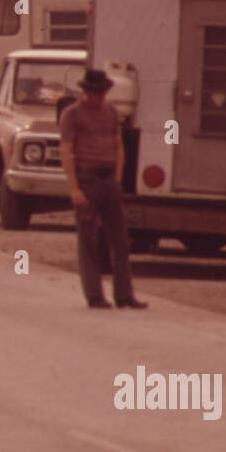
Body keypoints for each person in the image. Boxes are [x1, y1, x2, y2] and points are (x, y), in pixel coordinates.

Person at [58, 68, 147, 310]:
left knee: (120, 240)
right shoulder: (72, 114)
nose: (97, 97)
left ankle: (124, 294)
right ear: (85, 91)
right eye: (93, 92)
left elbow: (119, 145)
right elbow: (66, 150)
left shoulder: (110, 111)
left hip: (109, 180)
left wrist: (117, 177)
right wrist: (74, 187)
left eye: (101, 92)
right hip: (86, 178)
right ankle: (94, 295)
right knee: (89, 240)